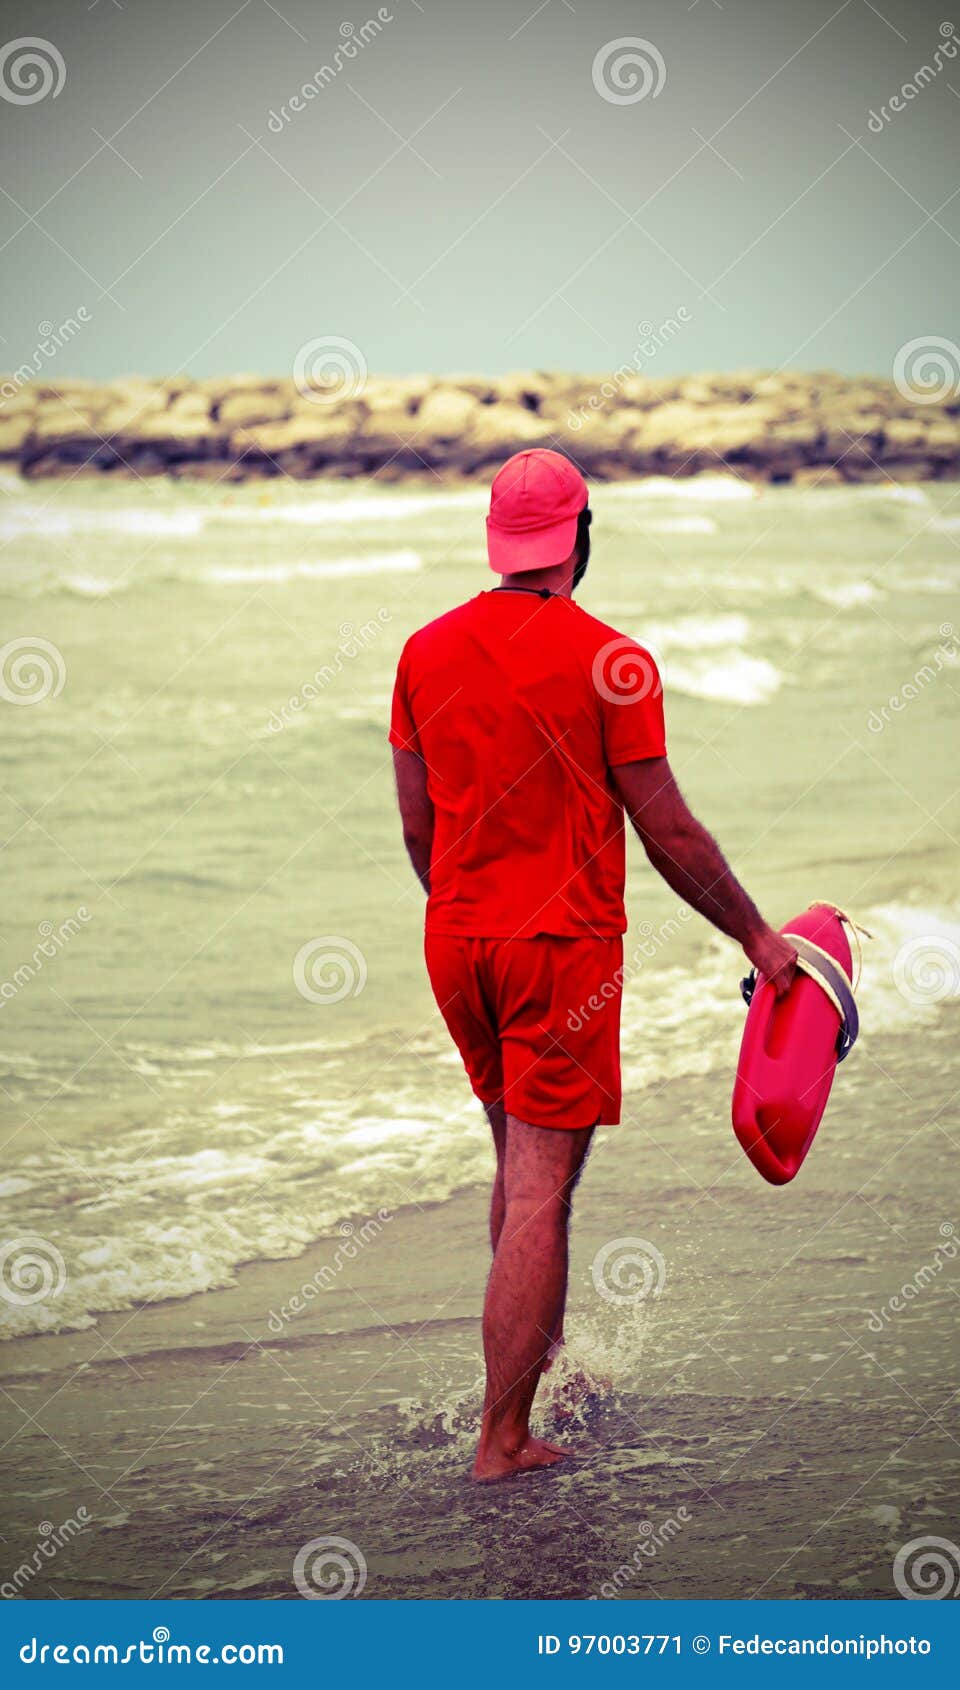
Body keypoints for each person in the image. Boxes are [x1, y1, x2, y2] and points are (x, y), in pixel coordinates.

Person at [389, 448, 797, 1483]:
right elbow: (669, 832)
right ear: (578, 538)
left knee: (519, 1164)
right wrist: (755, 935)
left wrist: (465, 911)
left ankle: (526, 1385)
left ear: (497, 540)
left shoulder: (423, 652)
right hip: (558, 951)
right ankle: (503, 1440)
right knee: (541, 1189)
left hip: (456, 941)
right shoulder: (613, 660)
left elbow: (418, 826)